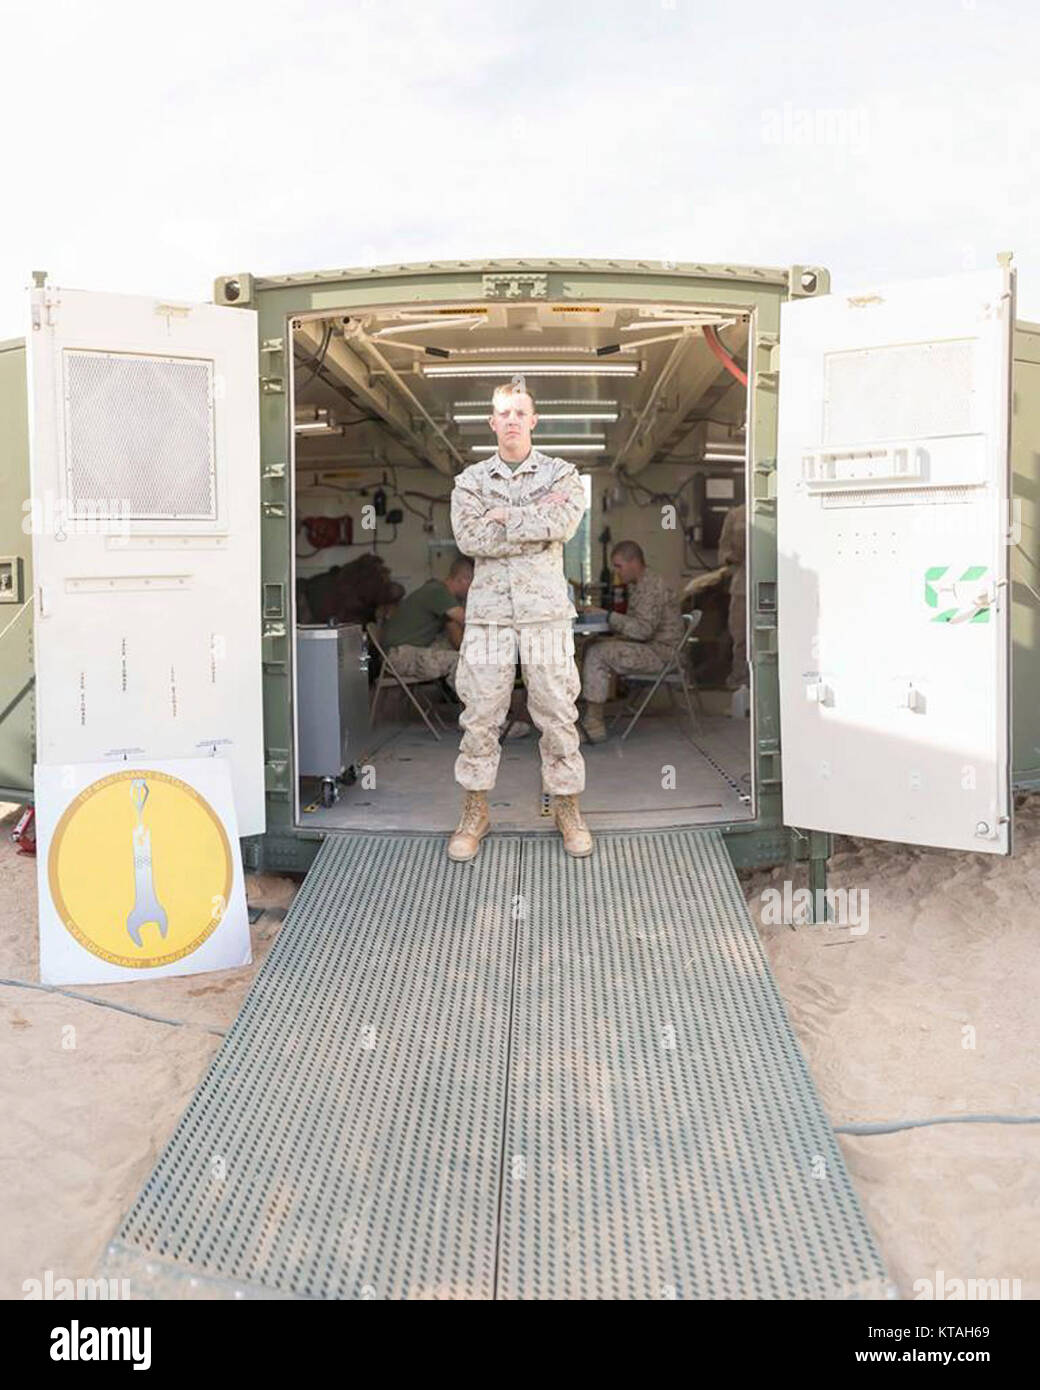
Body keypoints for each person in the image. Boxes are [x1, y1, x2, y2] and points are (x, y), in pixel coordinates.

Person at [447, 377, 591, 861]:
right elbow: (471, 540)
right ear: (492, 422)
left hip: (545, 615)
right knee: (481, 715)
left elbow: (564, 524)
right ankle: (475, 813)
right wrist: (531, 515)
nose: (511, 420)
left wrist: (502, 516)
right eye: (503, 414)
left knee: (556, 712)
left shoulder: (562, 474)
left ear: (533, 420)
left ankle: (567, 809)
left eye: (519, 412)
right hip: (489, 618)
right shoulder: (469, 482)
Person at [580, 541, 684, 741]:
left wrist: (607, 616)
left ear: (634, 562)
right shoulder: (640, 584)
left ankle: (594, 726)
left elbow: (642, 630)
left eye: (619, 566)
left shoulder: (651, 587)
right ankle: (589, 716)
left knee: (597, 653)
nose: (617, 572)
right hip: (652, 647)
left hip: (661, 654)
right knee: (592, 645)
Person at [381, 556, 473, 691]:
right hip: (398, 656)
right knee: (464, 662)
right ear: (463, 579)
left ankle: (471, 703)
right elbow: (468, 620)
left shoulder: (444, 599)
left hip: (404, 652)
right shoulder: (438, 592)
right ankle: (474, 706)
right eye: (474, 584)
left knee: (464, 655)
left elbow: (457, 640)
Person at [717, 502, 747, 689]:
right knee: (740, 638)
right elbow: (723, 552)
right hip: (742, 586)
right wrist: (732, 557)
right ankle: (740, 685)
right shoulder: (736, 515)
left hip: (776, 586)